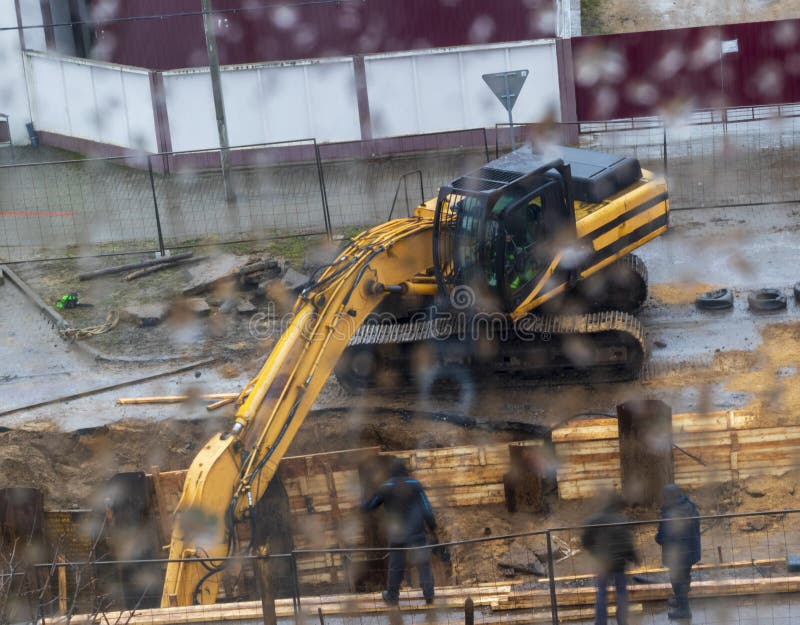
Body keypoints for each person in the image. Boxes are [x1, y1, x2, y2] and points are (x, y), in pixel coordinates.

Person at [363, 459, 437, 606]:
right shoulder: (415, 485)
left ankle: (392, 596)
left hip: (397, 535)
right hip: (416, 534)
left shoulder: (386, 487)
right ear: (405, 470)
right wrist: (432, 526)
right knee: (423, 564)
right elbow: (426, 508)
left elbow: (370, 506)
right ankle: (429, 595)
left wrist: (363, 501)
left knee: (396, 566)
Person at [581, 494, 637, 625]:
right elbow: (628, 543)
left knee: (601, 593)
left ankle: (600, 622)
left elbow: (586, 541)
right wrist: (633, 557)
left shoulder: (595, 520)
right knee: (622, 593)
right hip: (619, 564)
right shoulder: (622, 521)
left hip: (602, 563)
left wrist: (594, 553)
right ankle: (622, 620)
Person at [656, 484, 701, 620]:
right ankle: (680, 600)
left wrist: (657, 537)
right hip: (691, 550)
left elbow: (663, 537)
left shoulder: (669, 514)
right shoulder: (690, 505)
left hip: (677, 555)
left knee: (677, 580)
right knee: (685, 577)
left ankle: (684, 611)